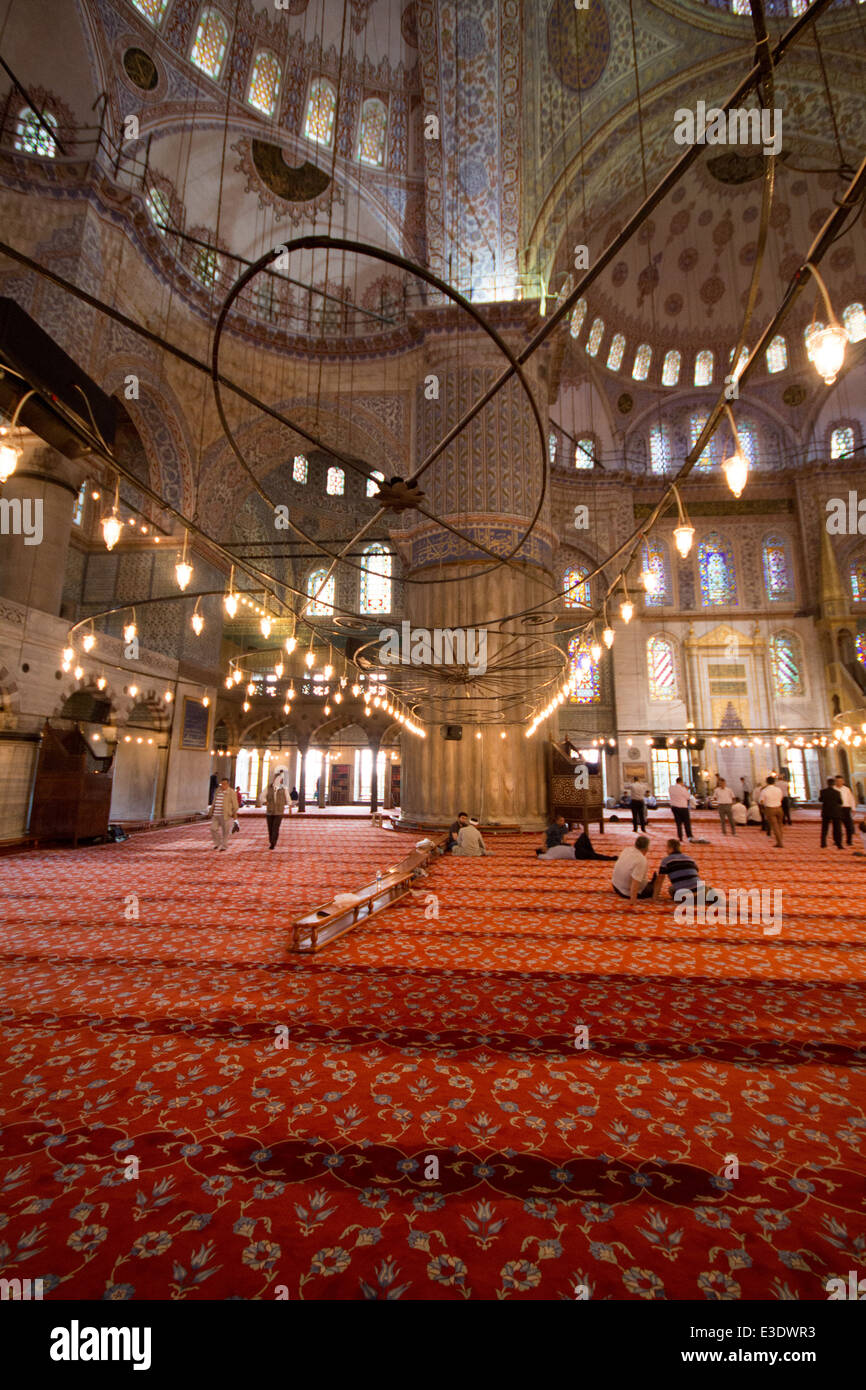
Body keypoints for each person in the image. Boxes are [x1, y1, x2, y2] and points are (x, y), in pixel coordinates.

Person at [652, 838, 720, 908]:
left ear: (670, 848)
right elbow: (695, 872)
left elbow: (659, 880)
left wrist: (654, 897)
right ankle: (712, 898)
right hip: (701, 893)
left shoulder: (666, 861)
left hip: (686, 898)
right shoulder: (689, 858)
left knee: (671, 889)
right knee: (706, 887)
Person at [611, 835, 656, 907]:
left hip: (615, 886)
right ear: (646, 848)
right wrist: (633, 901)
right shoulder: (641, 860)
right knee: (653, 889)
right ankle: (653, 883)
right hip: (626, 892)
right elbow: (635, 882)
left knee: (646, 881)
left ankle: (652, 883)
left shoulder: (627, 849)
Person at [209, 777, 239, 852]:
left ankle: (224, 846)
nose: (222, 785)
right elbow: (214, 801)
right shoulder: (217, 791)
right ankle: (218, 843)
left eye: (224, 784)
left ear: (228, 784)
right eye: (221, 784)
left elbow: (235, 805)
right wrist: (211, 810)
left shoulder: (231, 792)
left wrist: (233, 813)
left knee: (225, 832)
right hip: (216, 814)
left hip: (226, 815)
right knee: (213, 829)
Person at [758, 774, 784, 847]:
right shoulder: (778, 789)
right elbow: (781, 798)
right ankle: (780, 840)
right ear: (774, 782)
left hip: (770, 809)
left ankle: (779, 843)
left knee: (775, 827)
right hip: (779, 808)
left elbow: (761, 801)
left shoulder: (765, 790)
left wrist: (763, 808)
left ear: (767, 782)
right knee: (780, 826)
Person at [819, 778, 844, 850]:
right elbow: (840, 802)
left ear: (827, 783)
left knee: (824, 828)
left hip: (826, 812)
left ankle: (823, 843)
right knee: (837, 829)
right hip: (835, 812)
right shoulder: (837, 792)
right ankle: (839, 844)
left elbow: (820, 799)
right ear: (833, 784)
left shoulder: (823, 791)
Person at [668, 778, 695, 843]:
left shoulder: (671, 788)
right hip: (683, 807)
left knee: (678, 823)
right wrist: (686, 789)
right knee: (686, 823)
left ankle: (680, 837)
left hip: (674, 807)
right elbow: (688, 797)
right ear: (681, 782)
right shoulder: (682, 789)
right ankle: (689, 836)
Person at [265, 775, 287, 850]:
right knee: (270, 828)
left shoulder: (283, 789)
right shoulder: (269, 788)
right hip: (270, 811)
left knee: (275, 828)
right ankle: (271, 840)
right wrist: (265, 801)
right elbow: (263, 796)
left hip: (279, 811)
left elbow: (286, 798)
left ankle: (273, 843)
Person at [834, 775, 856, 846]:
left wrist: (853, 808)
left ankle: (849, 841)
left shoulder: (846, 789)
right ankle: (837, 841)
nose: (839, 782)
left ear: (843, 781)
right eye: (837, 781)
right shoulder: (833, 789)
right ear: (835, 781)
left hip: (846, 809)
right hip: (837, 809)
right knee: (837, 827)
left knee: (848, 826)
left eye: (840, 781)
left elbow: (851, 799)